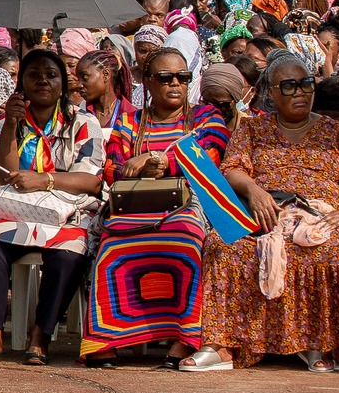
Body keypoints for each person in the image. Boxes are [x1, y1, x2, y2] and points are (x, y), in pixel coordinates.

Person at [188, 53, 339, 371]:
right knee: (222, 245)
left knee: (331, 251)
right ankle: (220, 345)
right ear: (270, 92)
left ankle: (319, 345)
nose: (300, 92)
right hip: (268, 209)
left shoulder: (335, 132)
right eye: (289, 86)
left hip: (323, 214)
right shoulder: (253, 129)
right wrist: (253, 191)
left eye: (306, 84)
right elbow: (232, 170)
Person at [82, 44, 229, 366]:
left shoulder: (206, 116)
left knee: (185, 238)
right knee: (112, 245)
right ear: (147, 82)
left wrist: (157, 160)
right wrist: (135, 166)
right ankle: (109, 338)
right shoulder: (131, 121)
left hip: (188, 205)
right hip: (134, 205)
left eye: (183, 77)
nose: (176, 83)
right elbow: (112, 168)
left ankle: (184, 339)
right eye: (166, 77)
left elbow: (210, 154)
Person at [0, 49, 106, 365]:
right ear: (22, 83)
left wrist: (44, 180)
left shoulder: (83, 122)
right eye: (33, 75)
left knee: (69, 253)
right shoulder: (6, 121)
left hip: (66, 214)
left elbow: (91, 182)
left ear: (63, 83)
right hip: (16, 211)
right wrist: (10, 126)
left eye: (51, 74)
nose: (42, 80)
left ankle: (40, 336)